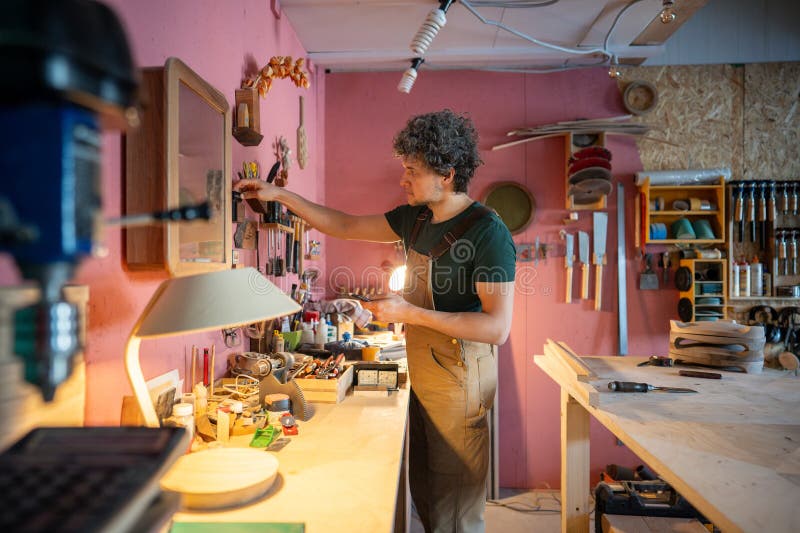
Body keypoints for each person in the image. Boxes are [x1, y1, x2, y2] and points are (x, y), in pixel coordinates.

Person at [235, 109, 516, 532]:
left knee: (455, 509)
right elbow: (345, 225)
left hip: (461, 378)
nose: (403, 179)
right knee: (427, 494)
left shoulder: (487, 232)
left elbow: (497, 328)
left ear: (447, 174)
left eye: (411, 170)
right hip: (425, 369)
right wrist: (281, 197)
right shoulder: (415, 218)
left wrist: (410, 313)